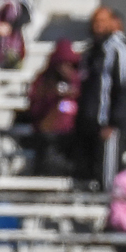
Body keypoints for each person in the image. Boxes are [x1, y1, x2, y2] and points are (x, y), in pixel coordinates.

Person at [76, 5, 126, 189]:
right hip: (91, 123)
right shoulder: (93, 51)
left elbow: (123, 88)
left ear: (114, 23)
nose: (97, 26)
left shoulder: (118, 50)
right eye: (94, 22)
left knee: (108, 175)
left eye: (102, 22)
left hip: (108, 123)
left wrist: (113, 122)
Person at [27, 41, 81, 176]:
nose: (66, 68)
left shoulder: (79, 82)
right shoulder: (43, 82)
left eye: (71, 65)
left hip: (74, 136)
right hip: (49, 136)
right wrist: (54, 96)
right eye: (63, 64)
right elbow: (35, 110)